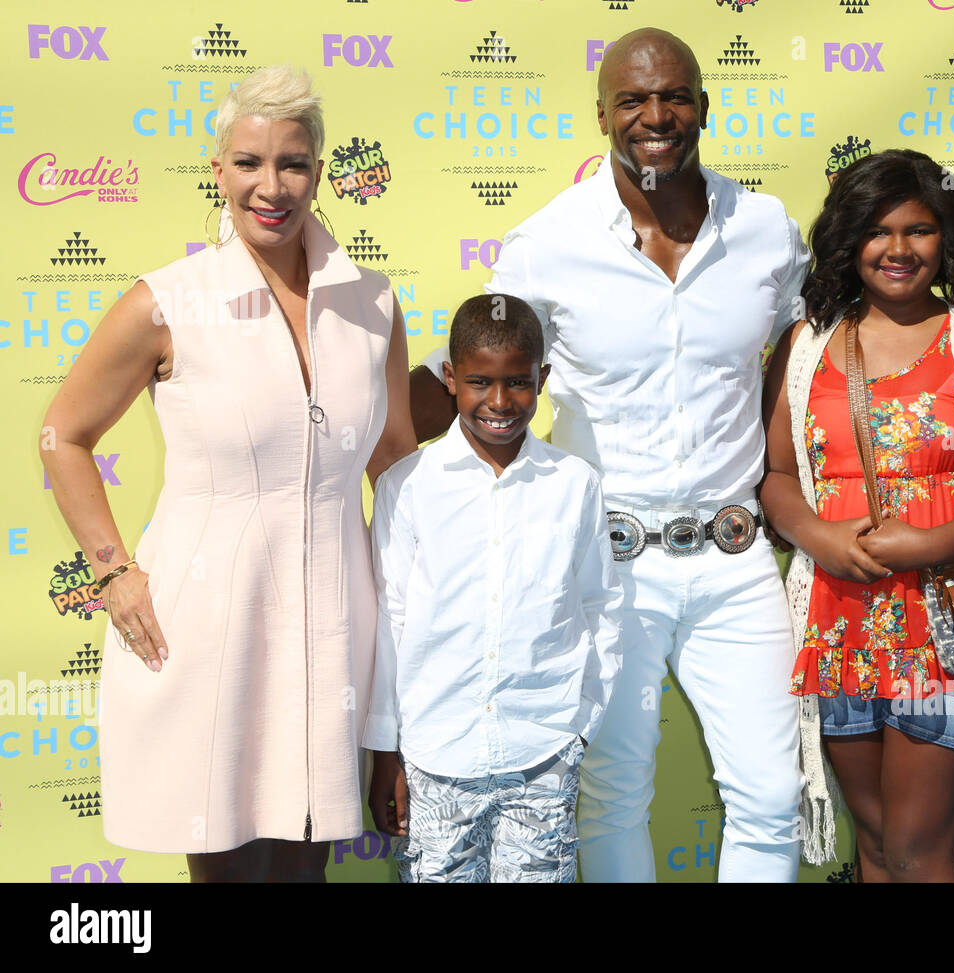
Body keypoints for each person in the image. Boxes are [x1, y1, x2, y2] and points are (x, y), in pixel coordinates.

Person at [409, 28, 810, 881]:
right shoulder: (545, 242)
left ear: (705, 103)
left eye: (674, 96)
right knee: (613, 792)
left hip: (737, 563)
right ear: (602, 115)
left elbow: (806, 361)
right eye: (633, 100)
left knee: (773, 795)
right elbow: (486, 374)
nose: (655, 116)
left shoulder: (768, 230)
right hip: (606, 562)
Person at [38, 65, 416, 882]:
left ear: (320, 169)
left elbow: (399, 471)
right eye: (248, 163)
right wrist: (114, 572)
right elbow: (62, 434)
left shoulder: (373, 305)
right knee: (227, 873)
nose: (270, 186)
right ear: (218, 170)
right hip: (209, 621)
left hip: (337, 623)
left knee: (305, 871)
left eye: (292, 162)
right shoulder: (166, 301)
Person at [761, 149, 954, 881]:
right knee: (879, 841)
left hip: (945, 623)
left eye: (918, 230)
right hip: (836, 618)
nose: (898, 249)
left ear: (946, 237)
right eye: (877, 230)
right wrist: (818, 534)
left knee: (922, 850)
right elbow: (776, 475)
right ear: (847, 238)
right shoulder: (805, 345)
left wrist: (928, 541)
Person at [365, 295, 622, 883]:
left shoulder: (575, 484)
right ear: (450, 378)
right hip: (435, 755)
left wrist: (582, 724)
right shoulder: (407, 487)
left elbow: (598, 606)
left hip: (544, 749)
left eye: (518, 383)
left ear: (543, 380)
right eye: (480, 382)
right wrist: (387, 751)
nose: (500, 403)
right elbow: (391, 622)